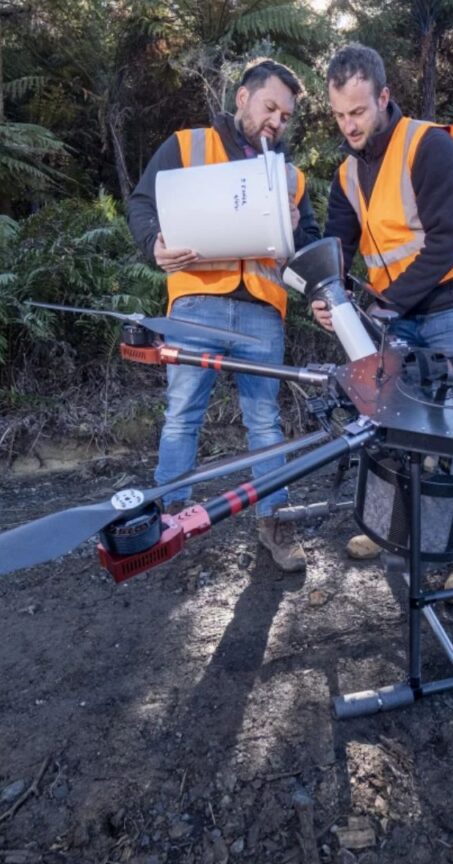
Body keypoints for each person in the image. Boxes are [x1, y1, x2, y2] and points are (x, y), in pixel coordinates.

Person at [311, 43, 453, 603]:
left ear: (384, 97)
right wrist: (326, 297)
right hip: (394, 312)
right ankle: (401, 529)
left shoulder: (429, 145)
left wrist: (383, 307)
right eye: (340, 115)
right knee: (393, 428)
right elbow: (335, 251)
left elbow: (446, 243)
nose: (349, 125)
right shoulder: (346, 173)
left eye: (358, 112)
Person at [127, 58, 321, 572]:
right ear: (242, 98)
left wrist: (298, 230)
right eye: (270, 106)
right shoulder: (187, 145)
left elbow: (308, 247)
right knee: (182, 416)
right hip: (195, 303)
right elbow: (142, 204)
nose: (276, 121)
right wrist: (154, 244)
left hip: (262, 310)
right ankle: (166, 521)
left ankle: (274, 520)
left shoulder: (291, 177)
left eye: (285, 114)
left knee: (265, 422)